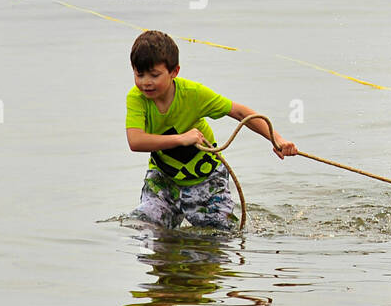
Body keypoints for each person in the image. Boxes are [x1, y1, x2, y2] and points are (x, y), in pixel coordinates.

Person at [125, 30, 297, 229]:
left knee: (218, 235)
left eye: (154, 75)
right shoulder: (136, 98)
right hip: (163, 179)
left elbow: (241, 113)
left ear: (174, 72)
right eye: (139, 74)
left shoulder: (193, 94)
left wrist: (277, 140)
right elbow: (135, 141)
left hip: (206, 179)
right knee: (145, 228)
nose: (146, 82)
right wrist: (181, 139)